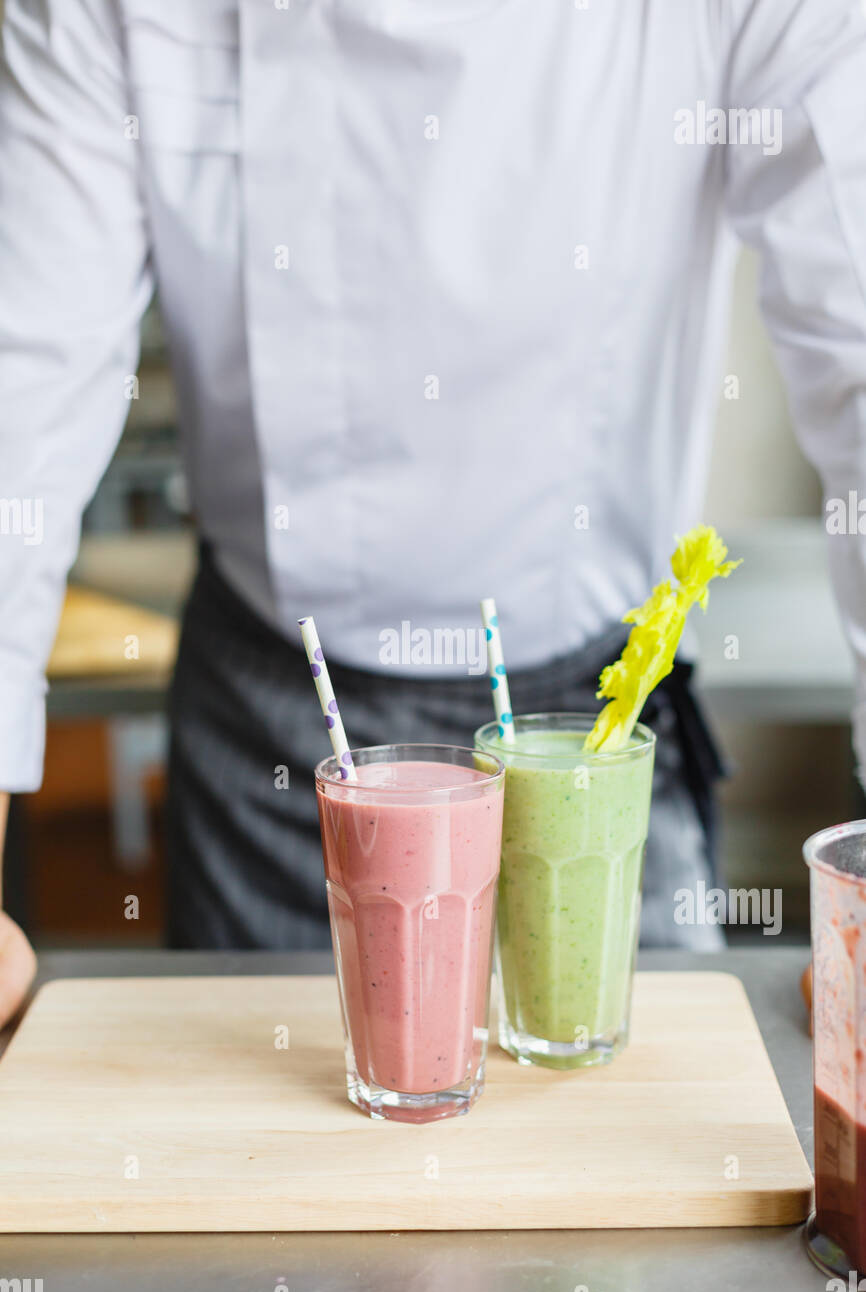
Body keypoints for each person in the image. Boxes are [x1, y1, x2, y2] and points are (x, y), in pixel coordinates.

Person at [1, 0, 865, 1026]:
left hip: (593, 736)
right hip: (277, 738)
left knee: (627, 1145)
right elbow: (22, 390)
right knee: (265, 1150)